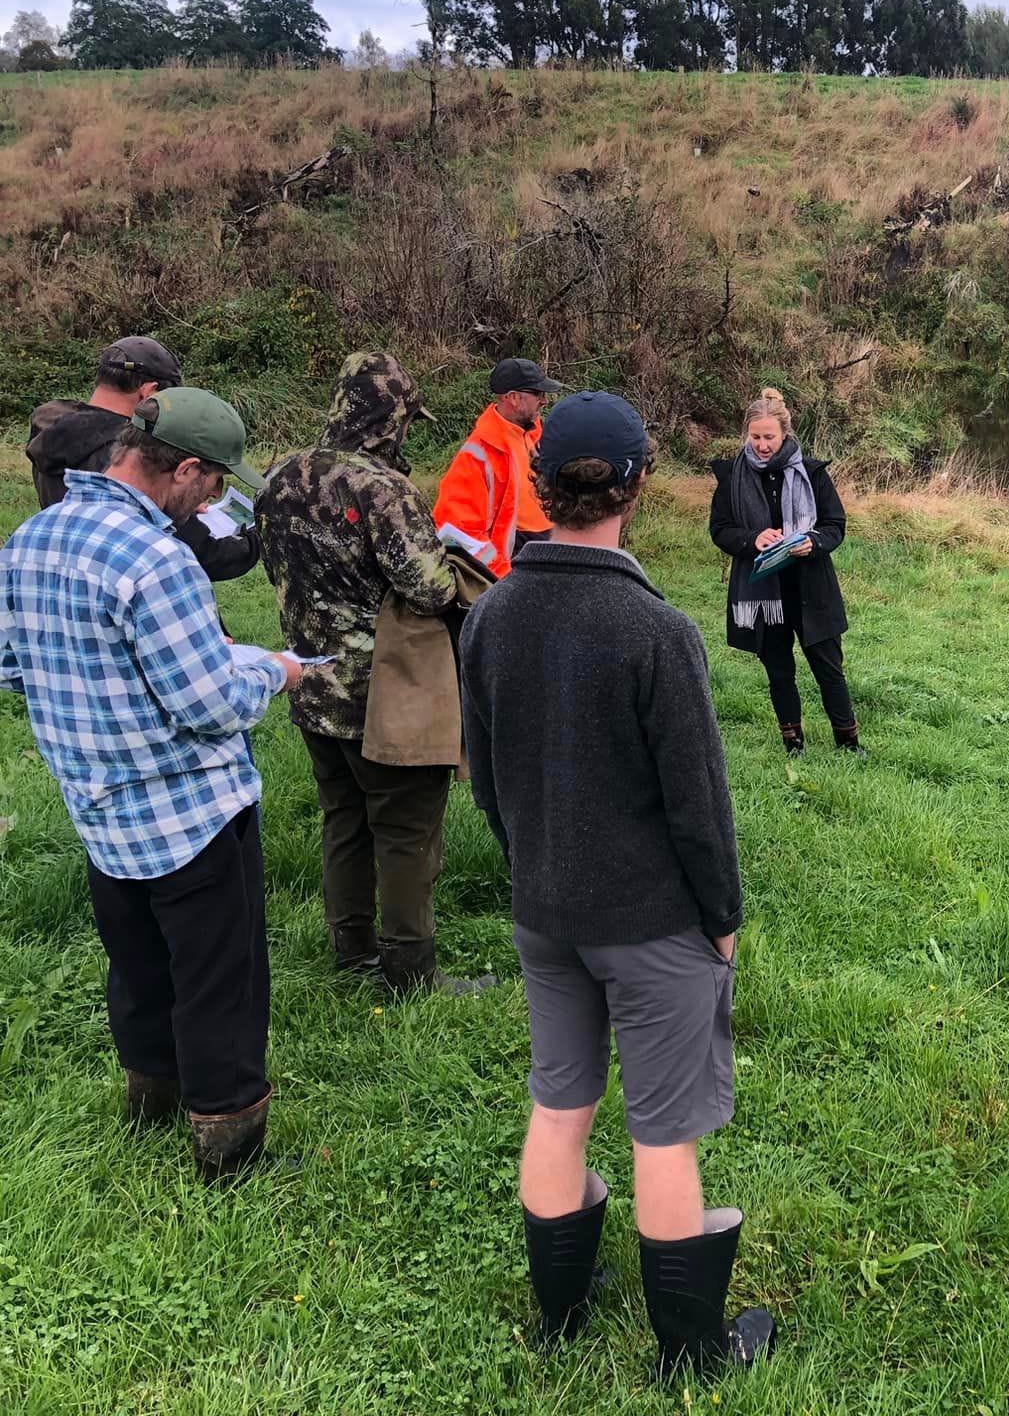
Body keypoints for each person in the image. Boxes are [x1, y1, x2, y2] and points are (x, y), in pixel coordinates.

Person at [460, 391, 775, 1383]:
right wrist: (720, 922)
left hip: (544, 910)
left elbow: (485, 772)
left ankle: (559, 1315)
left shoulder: (493, 611)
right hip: (650, 923)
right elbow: (698, 807)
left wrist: (529, 865)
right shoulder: (655, 631)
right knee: (662, 1131)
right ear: (638, 486)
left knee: (559, 1106)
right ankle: (691, 1353)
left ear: (539, 483)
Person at [0, 389, 300, 1182]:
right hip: (191, 815)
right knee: (219, 981)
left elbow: (10, 664)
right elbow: (211, 705)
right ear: (186, 468)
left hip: (99, 810)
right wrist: (274, 671)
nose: (216, 500)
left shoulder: (31, 538)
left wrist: (93, 701)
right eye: (215, 484)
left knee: (138, 965)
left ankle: (150, 1105)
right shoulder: (157, 560)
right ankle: (228, 1147)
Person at [255, 351, 491, 996]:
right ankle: (411, 971)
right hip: (386, 696)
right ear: (393, 419)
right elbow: (432, 589)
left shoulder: (278, 478)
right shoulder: (381, 489)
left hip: (309, 684)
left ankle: (352, 947)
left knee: (344, 819)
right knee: (408, 831)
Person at [24, 336, 259, 581]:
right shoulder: (128, 454)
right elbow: (204, 555)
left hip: (72, 572)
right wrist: (258, 538)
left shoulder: (54, 430)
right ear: (149, 393)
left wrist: (176, 502)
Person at [708, 389, 860, 755]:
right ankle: (793, 742)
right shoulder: (732, 477)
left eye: (769, 437)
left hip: (811, 586)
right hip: (765, 591)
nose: (762, 445)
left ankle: (848, 742)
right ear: (746, 433)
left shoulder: (812, 473)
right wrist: (751, 539)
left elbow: (835, 525)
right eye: (755, 437)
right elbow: (721, 529)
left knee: (829, 669)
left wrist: (814, 543)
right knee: (779, 671)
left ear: (785, 435)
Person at [432, 357, 561, 578]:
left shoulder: (538, 434)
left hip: (550, 556)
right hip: (515, 569)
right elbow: (458, 531)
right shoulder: (477, 456)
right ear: (513, 398)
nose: (545, 401)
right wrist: (504, 578)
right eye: (538, 394)